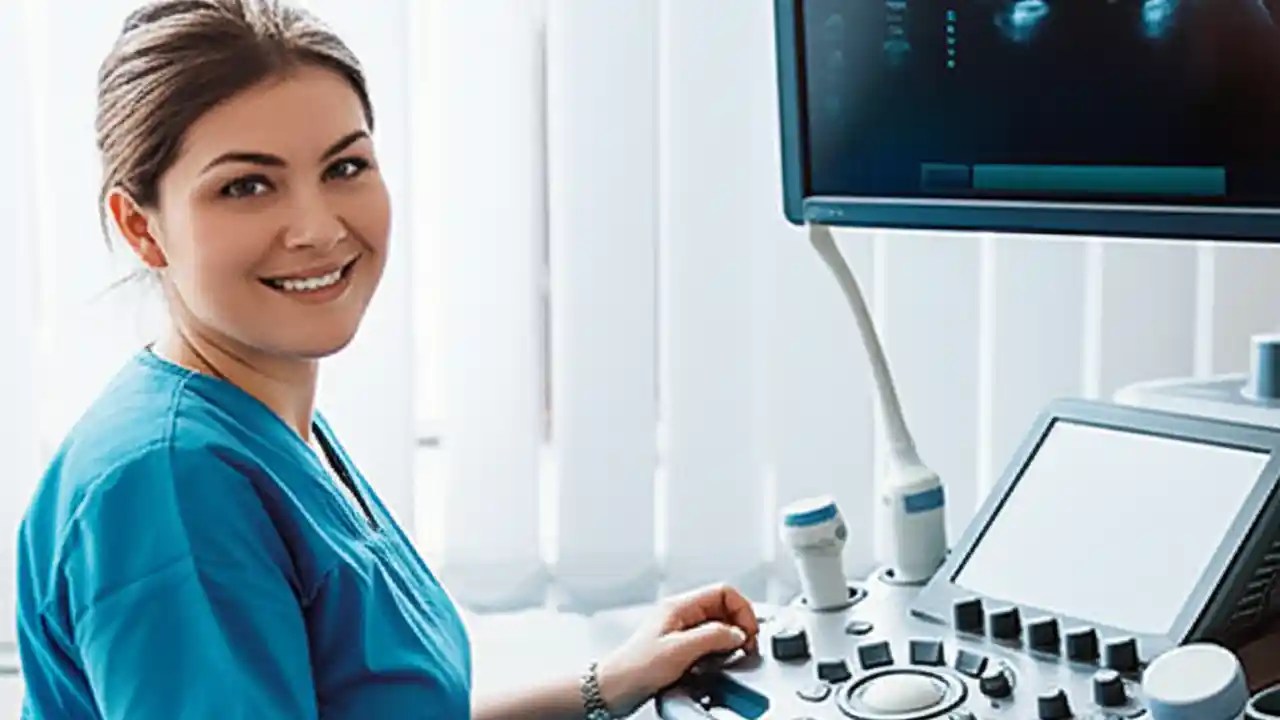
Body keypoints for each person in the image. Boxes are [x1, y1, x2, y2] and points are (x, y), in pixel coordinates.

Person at [12, 1, 759, 718]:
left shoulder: (263, 423)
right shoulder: (170, 487)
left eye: (344, 168)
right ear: (141, 228)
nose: (316, 228)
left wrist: (605, 685)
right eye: (246, 186)